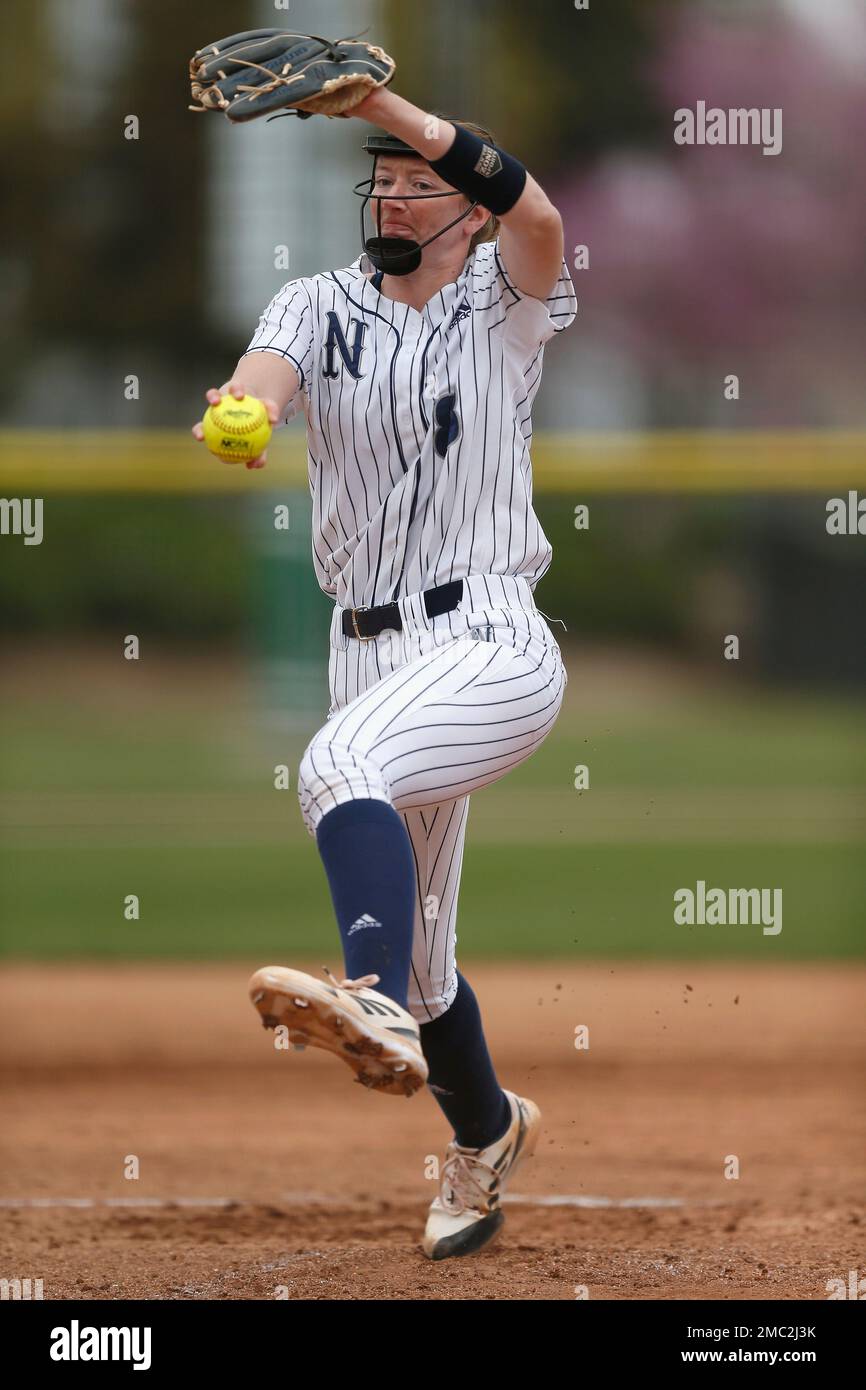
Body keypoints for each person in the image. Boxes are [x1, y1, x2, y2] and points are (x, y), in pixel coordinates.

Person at [192, 84, 577, 1261]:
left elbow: (542, 218)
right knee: (421, 972)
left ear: (464, 210)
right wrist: (244, 413)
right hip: (363, 648)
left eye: (417, 183)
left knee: (337, 763)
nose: (393, 196)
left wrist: (386, 104)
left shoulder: (504, 301)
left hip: (490, 639)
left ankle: (352, 991)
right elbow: (261, 376)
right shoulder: (315, 303)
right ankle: (486, 1133)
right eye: (381, 180)